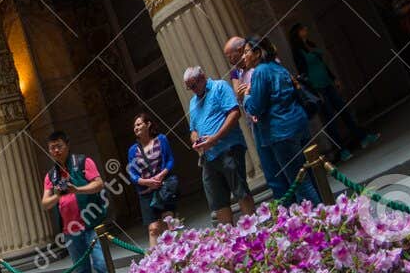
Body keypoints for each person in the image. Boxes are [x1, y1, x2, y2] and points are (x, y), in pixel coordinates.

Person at [41, 131, 109, 273]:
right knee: (82, 272)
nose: (55, 150)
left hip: (92, 225)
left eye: (59, 146)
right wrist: (59, 194)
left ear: (67, 145)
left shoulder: (82, 162)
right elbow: (45, 203)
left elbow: (98, 184)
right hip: (70, 231)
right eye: (52, 147)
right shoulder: (51, 175)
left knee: (102, 265)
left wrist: (76, 189)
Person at [243, 37, 318, 204]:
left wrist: (247, 96)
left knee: (300, 183)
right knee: (311, 176)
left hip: (281, 131)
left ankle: (322, 222)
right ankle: (326, 212)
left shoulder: (260, 72)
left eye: (246, 51)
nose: (244, 56)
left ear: (257, 53)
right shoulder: (277, 66)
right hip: (298, 123)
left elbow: (255, 107)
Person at [286, 22, 374, 160]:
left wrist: (333, 78)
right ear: (297, 33)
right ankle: (341, 150)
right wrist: (311, 90)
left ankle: (362, 137)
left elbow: (323, 64)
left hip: (327, 82)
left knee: (343, 110)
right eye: (303, 29)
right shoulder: (297, 51)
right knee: (329, 119)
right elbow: (303, 73)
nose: (306, 29)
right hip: (317, 87)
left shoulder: (311, 44)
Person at [185, 64, 256, 226]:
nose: (193, 90)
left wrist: (215, 138)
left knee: (241, 192)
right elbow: (193, 130)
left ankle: (254, 233)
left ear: (202, 77)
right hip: (208, 157)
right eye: (189, 88)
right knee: (218, 202)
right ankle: (228, 243)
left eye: (194, 85)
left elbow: (234, 112)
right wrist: (196, 140)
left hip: (228, 149)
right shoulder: (193, 102)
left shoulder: (219, 87)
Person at [125, 111, 179, 244]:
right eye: (134, 126)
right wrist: (146, 182)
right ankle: (154, 263)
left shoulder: (161, 139)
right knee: (153, 228)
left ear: (148, 124)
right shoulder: (133, 150)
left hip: (163, 187)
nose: (136, 128)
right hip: (146, 192)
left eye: (139, 124)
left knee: (170, 222)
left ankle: (180, 256)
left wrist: (161, 175)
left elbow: (170, 160)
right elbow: (132, 173)